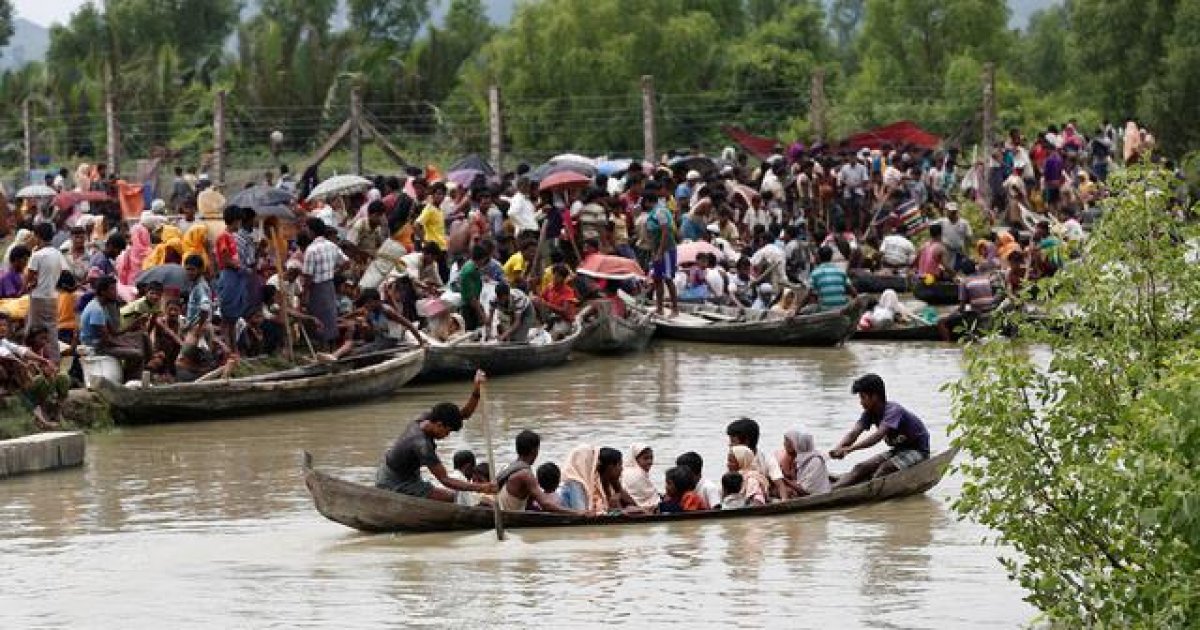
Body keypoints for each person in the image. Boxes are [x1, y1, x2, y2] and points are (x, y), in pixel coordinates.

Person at [375, 371, 496, 502]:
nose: (446, 436)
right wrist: (481, 487)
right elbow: (445, 480)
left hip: (406, 473)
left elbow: (464, 414)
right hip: (394, 481)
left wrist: (476, 390)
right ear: (439, 425)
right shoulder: (422, 445)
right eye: (447, 432)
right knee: (450, 498)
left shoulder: (428, 418)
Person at [830, 374, 931, 488]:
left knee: (883, 470)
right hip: (898, 450)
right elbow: (853, 433)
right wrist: (838, 448)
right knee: (860, 468)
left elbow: (878, 436)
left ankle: (867, 488)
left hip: (918, 451)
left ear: (875, 397)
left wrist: (849, 450)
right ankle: (831, 490)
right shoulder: (869, 413)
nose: (861, 402)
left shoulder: (893, 410)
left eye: (863, 397)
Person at [79, 276, 150, 381]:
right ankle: (131, 381)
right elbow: (106, 340)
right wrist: (126, 345)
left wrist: (134, 324)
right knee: (137, 353)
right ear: (103, 292)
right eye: (112, 289)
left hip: (104, 342)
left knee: (141, 337)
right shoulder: (96, 310)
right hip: (97, 347)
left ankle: (135, 373)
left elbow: (114, 332)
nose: (115, 292)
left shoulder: (103, 307)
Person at [494, 430, 579, 513]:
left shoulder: (507, 467)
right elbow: (545, 504)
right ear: (534, 450)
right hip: (510, 519)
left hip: (506, 512)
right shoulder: (526, 474)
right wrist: (579, 513)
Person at [301, 218, 349, 349]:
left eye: (307, 228)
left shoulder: (311, 250)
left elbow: (308, 276)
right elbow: (346, 262)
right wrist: (334, 271)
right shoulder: (332, 245)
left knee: (318, 318)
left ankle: (322, 348)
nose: (305, 230)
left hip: (317, 288)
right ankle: (330, 348)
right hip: (329, 285)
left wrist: (305, 294)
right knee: (330, 317)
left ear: (312, 231)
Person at [24, 223, 63, 366]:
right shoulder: (57, 253)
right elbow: (63, 273)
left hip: (38, 296)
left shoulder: (37, 255)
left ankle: (32, 360)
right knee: (52, 330)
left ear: (38, 235)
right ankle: (54, 360)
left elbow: (30, 278)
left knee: (33, 329)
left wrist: (29, 285)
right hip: (52, 296)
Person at [558, 445, 641, 513]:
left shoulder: (599, 482)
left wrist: (617, 486)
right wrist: (618, 511)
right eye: (619, 465)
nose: (621, 469)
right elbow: (584, 513)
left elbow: (633, 505)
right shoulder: (574, 484)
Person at [726, 417, 790, 499]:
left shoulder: (767, 459)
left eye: (733, 441)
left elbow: (780, 485)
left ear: (746, 441)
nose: (730, 444)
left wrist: (783, 502)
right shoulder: (734, 459)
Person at [645, 182, 679, 317]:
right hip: (657, 251)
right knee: (657, 279)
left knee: (668, 279)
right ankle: (659, 308)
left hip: (667, 250)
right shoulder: (653, 212)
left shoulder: (660, 211)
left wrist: (659, 252)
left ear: (648, 201)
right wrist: (654, 253)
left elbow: (665, 233)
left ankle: (675, 309)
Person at [779, 429, 831, 496]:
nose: (784, 444)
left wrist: (782, 478)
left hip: (816, 495)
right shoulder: (800, 459)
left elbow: (805, 490)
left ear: (796, 443)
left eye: (787, 441)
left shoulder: (815, 462)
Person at [807, 246, 857, 312]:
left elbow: (807, 294)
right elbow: (853, 292)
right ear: (831, 256)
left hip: (825, 309)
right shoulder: (841, 271)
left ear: (818, 257)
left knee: (810, 307)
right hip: (842, 308)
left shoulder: (815, 273)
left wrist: (796, 310)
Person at [620, 444, 660, 509]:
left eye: (651, 458)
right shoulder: (637, 474)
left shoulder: (626, 470)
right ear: (635, 459)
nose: (650, 461)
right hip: (638, 509)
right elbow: (651, 501)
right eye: (646, 458)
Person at [937, 203, 973, 272]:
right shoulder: (942, 222)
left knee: (960, 269)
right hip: (946, 251)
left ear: (956, 211)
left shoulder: (964, 223)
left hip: (959, 252)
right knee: (946, 269)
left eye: (953, 212)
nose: (951, 214)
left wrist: (967, 253)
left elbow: (968, 238)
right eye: (949, 212)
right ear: (946, 212)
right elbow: (932, 228)